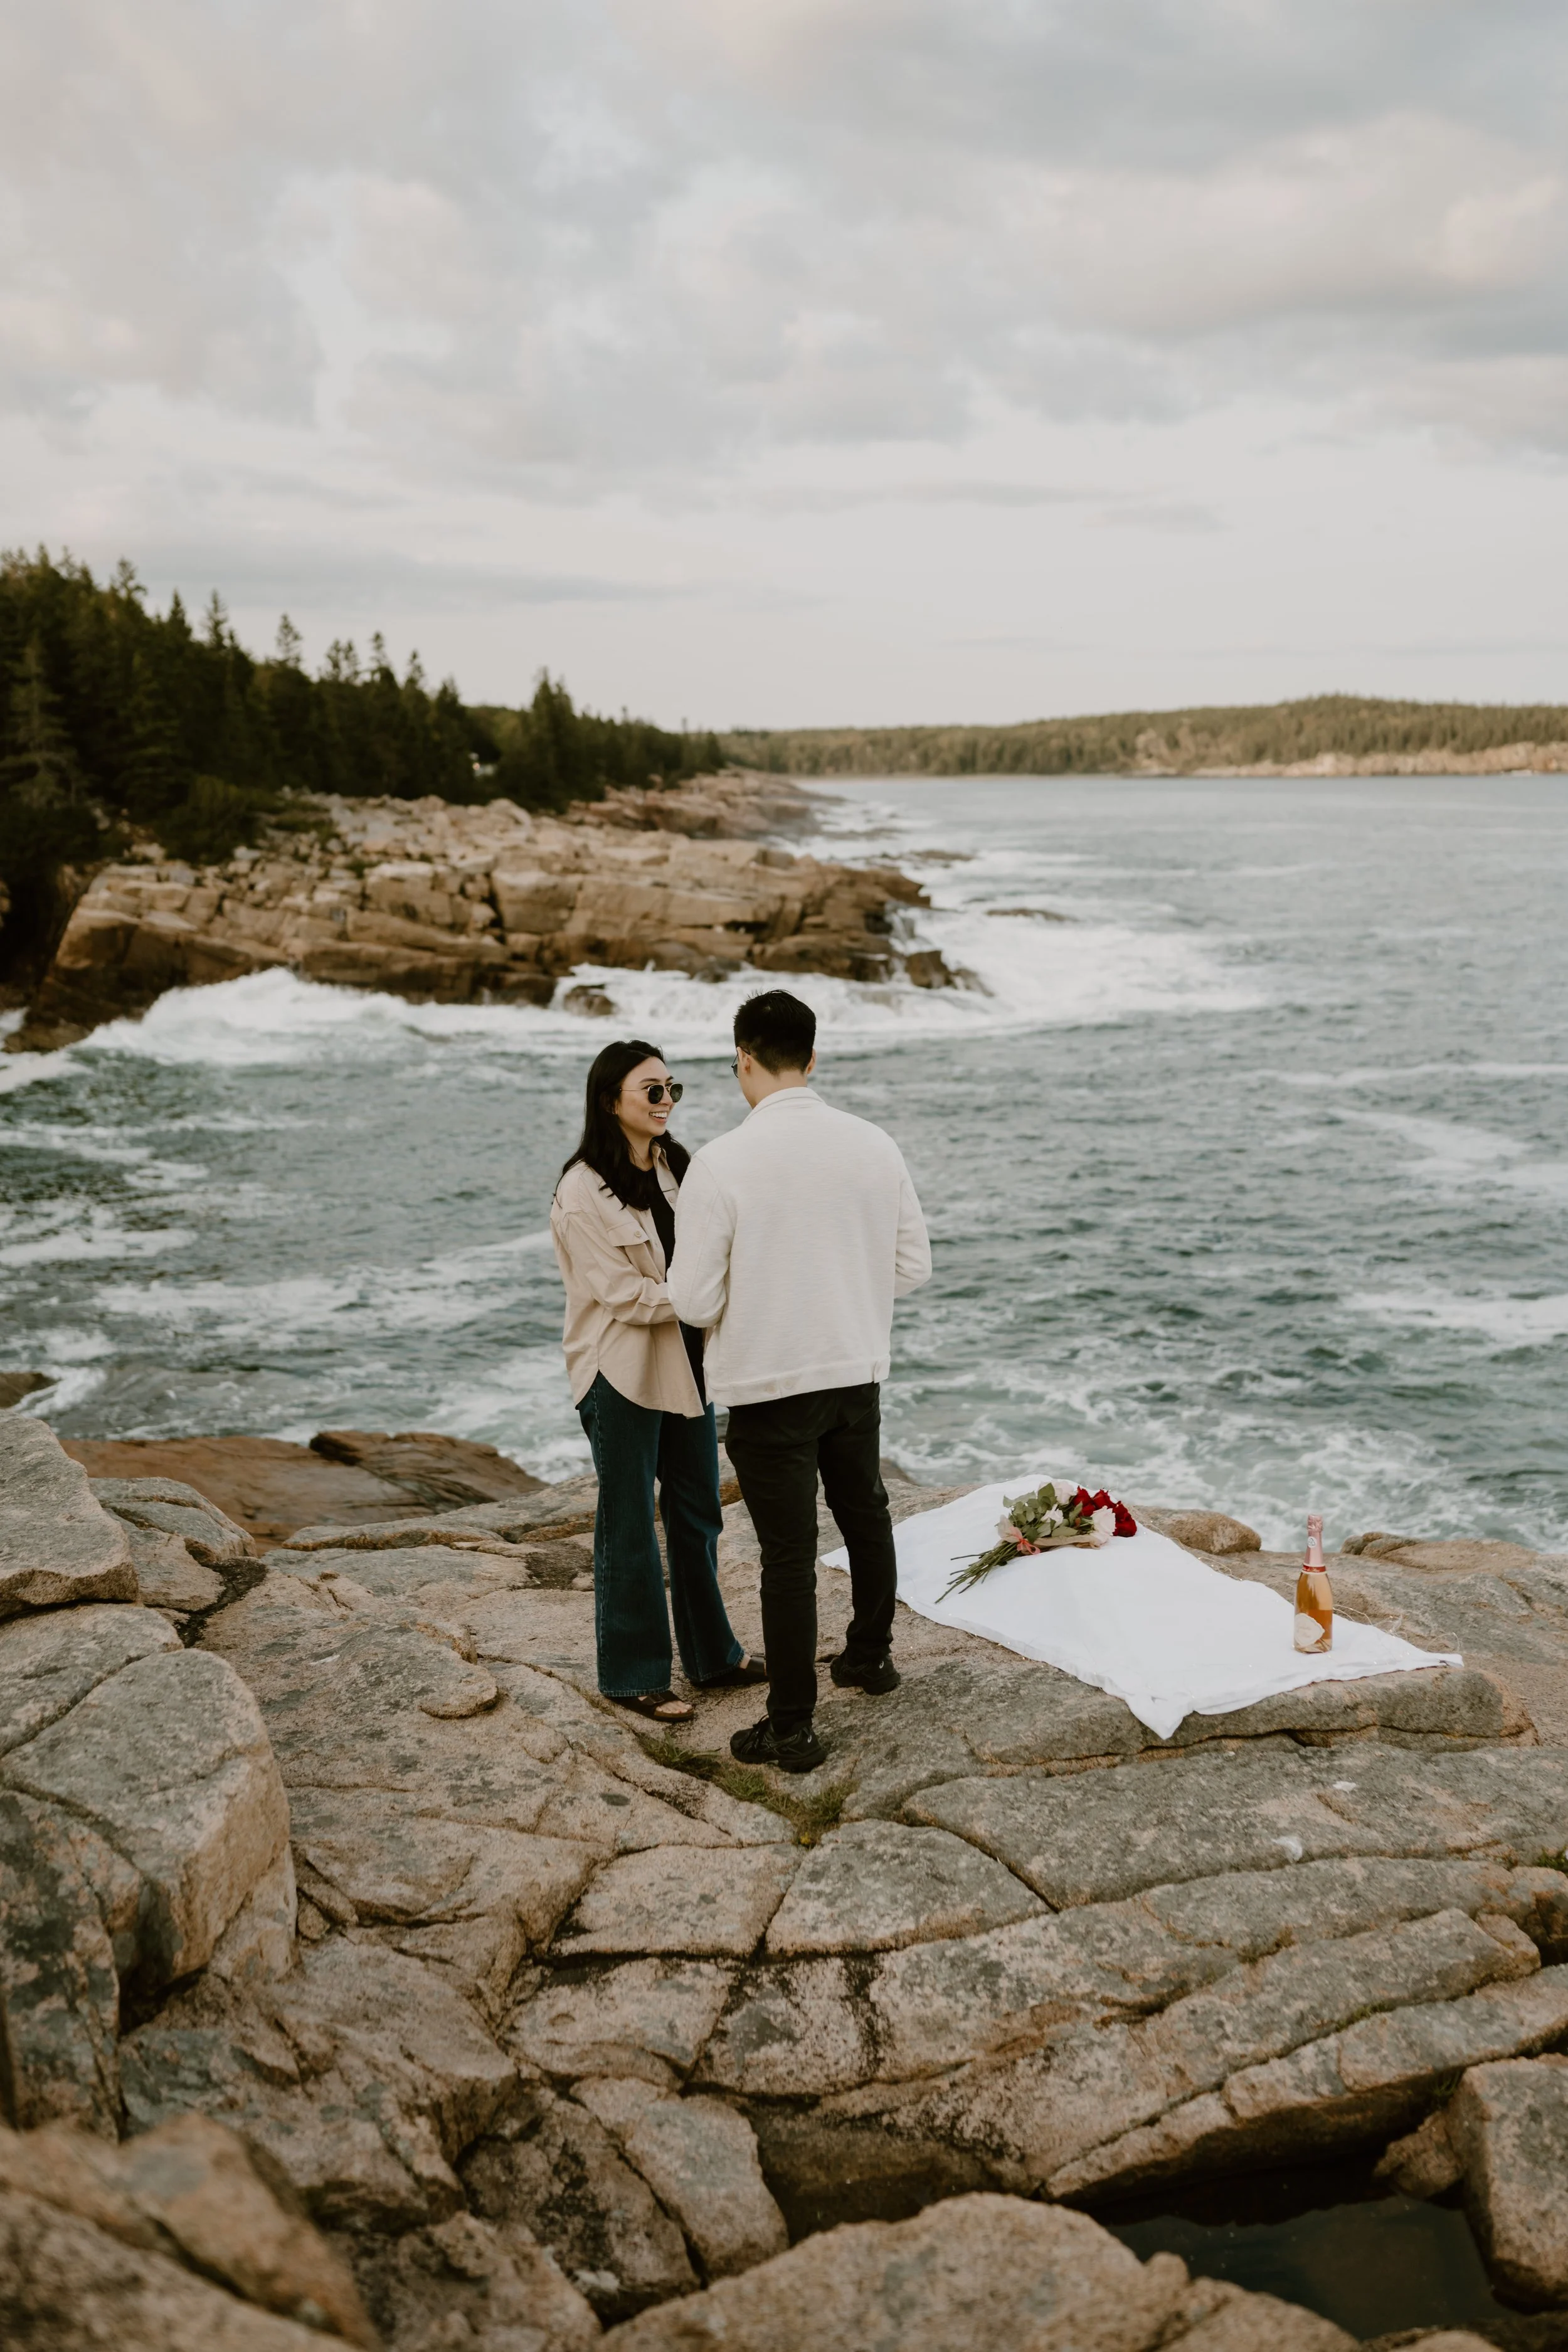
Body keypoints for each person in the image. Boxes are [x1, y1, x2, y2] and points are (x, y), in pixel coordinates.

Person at [668, 989, 931, 1771]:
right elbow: (913, 1267)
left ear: (743, 1060)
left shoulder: (720, 1162)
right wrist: (844, 1281)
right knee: (866, 1516)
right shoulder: (874, 1145)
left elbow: (691, 1298)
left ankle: (791, 1728)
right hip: (853, 1371)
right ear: (813, 1060)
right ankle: (869, 1658)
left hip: (767, 1383)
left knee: (789, 1557)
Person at [551, 1038, 765, 1721]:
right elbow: (621, 1297)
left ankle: (711, 1657)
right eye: (652, 1091)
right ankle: (634, 1675)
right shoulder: (580, 1189)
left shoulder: (679, 1162)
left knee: (698, 1509)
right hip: (621, 1370)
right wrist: (707, 1297)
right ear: (611, 1099)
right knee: (630, 1526)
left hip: (690, 1365)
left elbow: (716, 1244)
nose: (667, 1101)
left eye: (673, 1088)